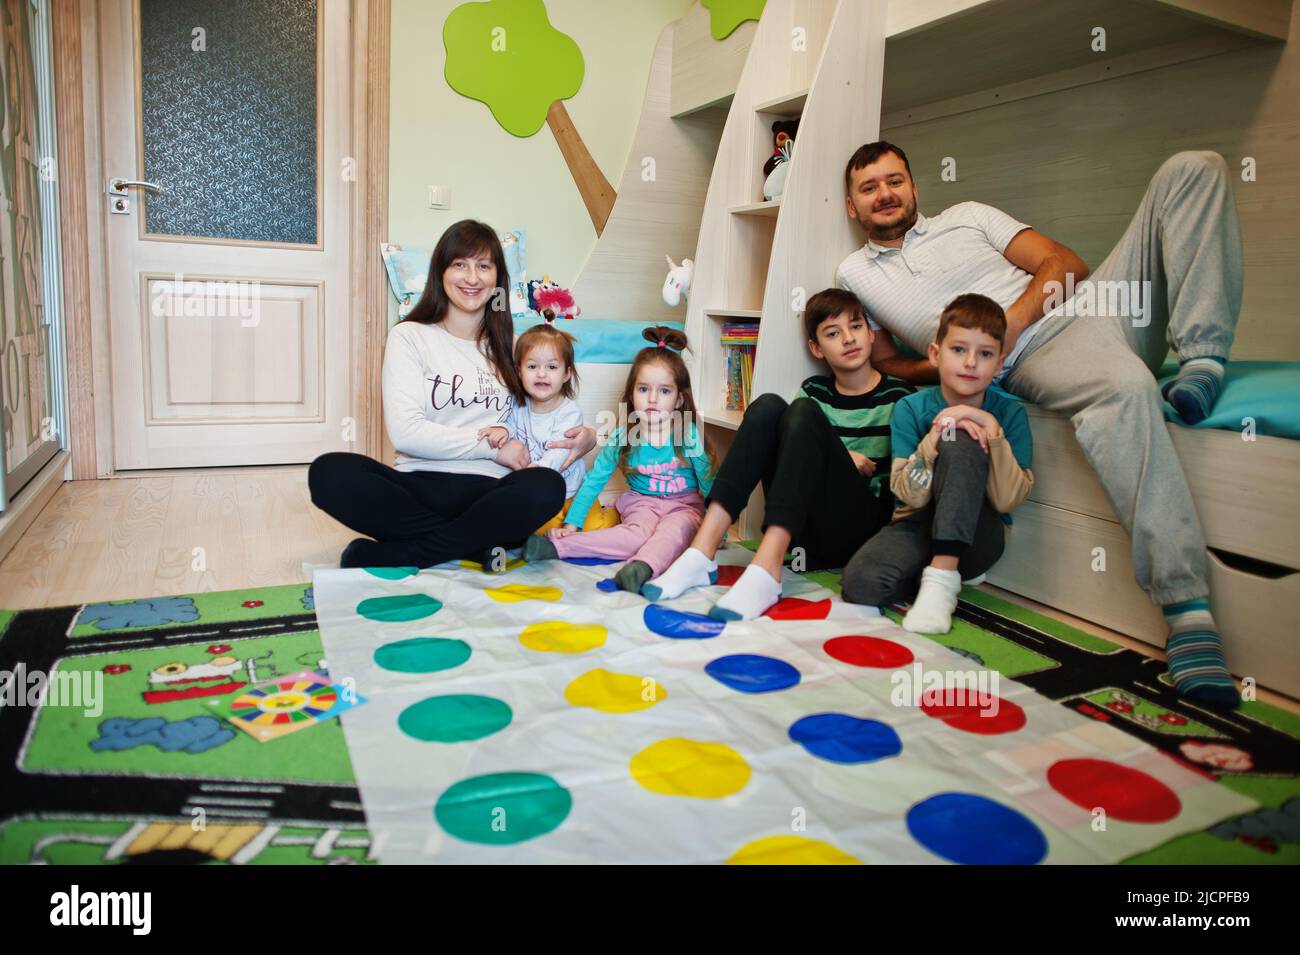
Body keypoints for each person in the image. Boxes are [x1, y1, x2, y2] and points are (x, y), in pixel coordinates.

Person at [836, 141, 1242, 708]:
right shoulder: (854, 274)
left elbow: (1065, 265)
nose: (885, 193)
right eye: (869, 186)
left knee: (1192, 169)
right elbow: (882, 360)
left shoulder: (969, 217)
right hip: (1040, 359)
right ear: (853, 206)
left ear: (914, 187)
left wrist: (1002, 329)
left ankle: (1203, 357)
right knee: (1127, 390)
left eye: (895, 179)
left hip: (1099, 305)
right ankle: (1187, 610)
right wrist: (954, 362)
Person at [307, 219, 596, 570]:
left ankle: (409, 553)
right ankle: (474, 546)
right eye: (460, 264)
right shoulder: (409, 337)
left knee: (544, 486)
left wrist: (589, 437)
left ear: (497, 280)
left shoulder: (510, 349)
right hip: (419, 483)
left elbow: (545, 408)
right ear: (440, 273)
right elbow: (406, 433)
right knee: (329, 473)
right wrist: (494, 447)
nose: (472, 278)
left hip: (491, 492)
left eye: (484, 266)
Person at [645, 288, 913, 620]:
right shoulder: (815, 391)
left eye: (855, 327)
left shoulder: (899, 396)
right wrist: (842, 454)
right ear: (816, 348)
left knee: (801, 411)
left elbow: (906, 485)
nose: (848, 338)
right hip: (805, 531)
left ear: (871, 334)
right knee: (769, 405)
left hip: (857, 531)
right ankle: (702, 550)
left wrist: (840, 461)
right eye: (833, 333)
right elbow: (797, 455)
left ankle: (766, 571)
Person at [842, 294, 1033, 635]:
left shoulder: (1010, 413)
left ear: (999, 362)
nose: (971, 363)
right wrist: (933, 438)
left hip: (978, 534)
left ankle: (943, 578)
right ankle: (934, 573)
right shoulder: (910, 408)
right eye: (958, 350)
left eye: (985, 354)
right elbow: (908, 495)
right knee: (861, 586)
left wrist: (988, 428)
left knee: (960, 438)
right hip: (917, 523)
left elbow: (1007, 501)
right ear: (935, 354)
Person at [523, 327, 714, 594]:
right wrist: (572, 524)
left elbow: (707, 480)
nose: (652, 399)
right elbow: (595, 479)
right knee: (635, 535)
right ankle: (555, 547)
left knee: (674, 531)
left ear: (679, 399)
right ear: (631, 393)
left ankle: (641, 568)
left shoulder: (687, 433)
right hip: (642, 505)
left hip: (684, 507)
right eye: (644, 388)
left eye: (664, 391)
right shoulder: (623, 434)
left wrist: (718, 529)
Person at [491, 320, 618, 534]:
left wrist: (538, 470)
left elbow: (560, 451)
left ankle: (615, 512)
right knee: (533, 528)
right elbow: (509, 424)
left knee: (596, 526)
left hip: (572, 493)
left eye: (551, 367)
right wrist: (502, 430)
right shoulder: (517, 405)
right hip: (537, 494)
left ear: (567, 373)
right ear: (519, 371)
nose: (541, 374)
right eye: (532, 367)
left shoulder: (569, 412)